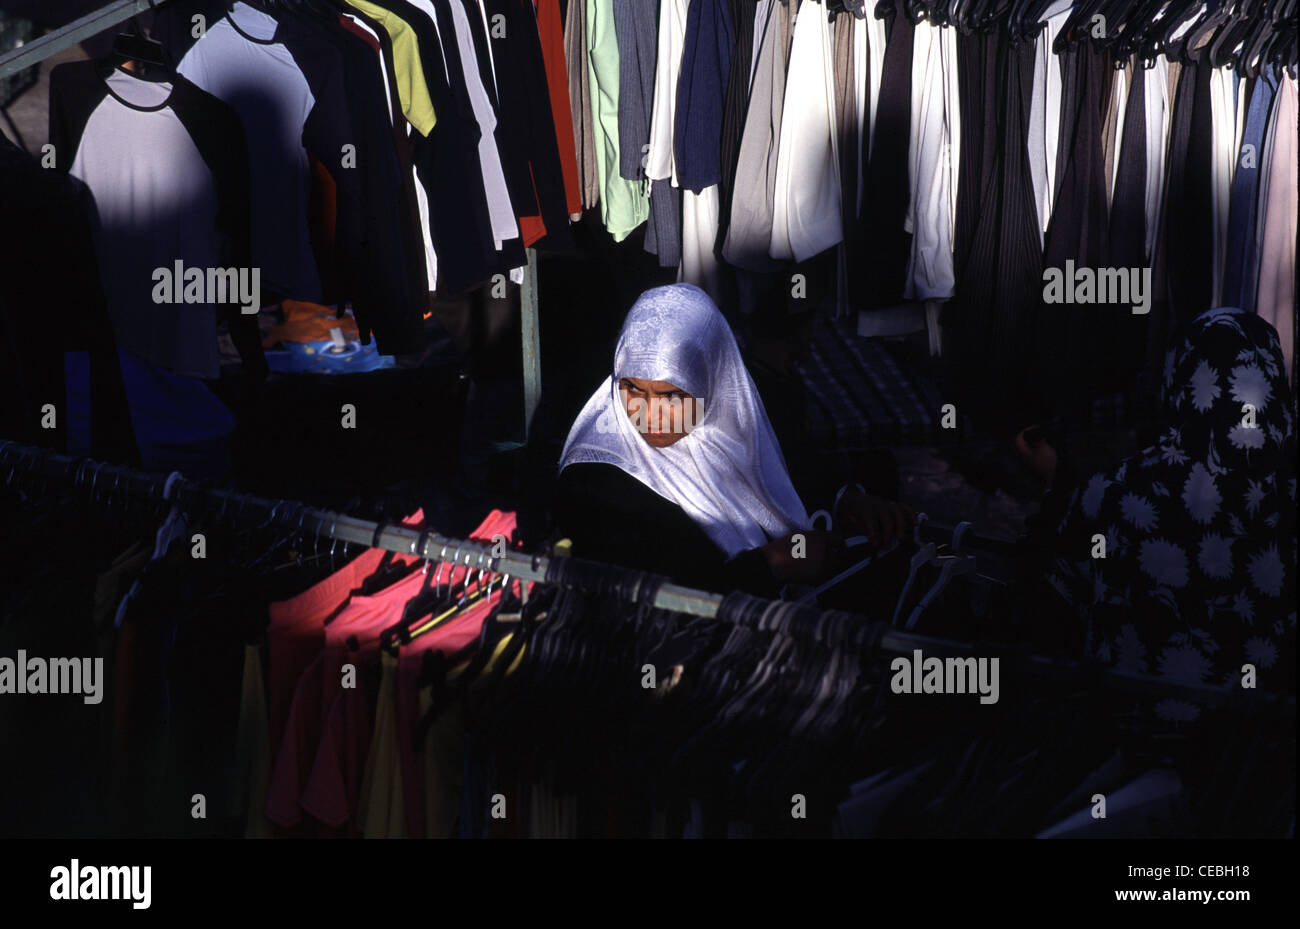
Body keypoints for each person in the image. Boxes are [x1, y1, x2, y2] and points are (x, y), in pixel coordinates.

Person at [1017, 307, 1297, 718]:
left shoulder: (1110, 493)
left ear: (1178, 382)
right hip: (1256, 760)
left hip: (1128, 737)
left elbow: (1057, 592)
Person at [554, 283, 913, 596]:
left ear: (711, 379)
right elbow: (649, 593)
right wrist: (769, 567)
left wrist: (844, 500)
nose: (649, 415)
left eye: (672, 396)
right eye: (632, 388)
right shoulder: (598, 481)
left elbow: (780, 473)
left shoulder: (732, 423)